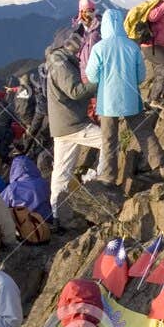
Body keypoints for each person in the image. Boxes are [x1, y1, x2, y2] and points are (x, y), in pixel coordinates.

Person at [86, 6, 164, 185]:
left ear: (104, 26)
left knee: (109, 139)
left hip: (107, 100)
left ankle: (108, 176)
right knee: (143, 131)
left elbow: (92, 76)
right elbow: (141, 76)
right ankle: (161, 165)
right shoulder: (132, 46)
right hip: (131, 97)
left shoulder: (99, 48)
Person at [44, 26, 101, 221]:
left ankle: (56, 213)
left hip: (62, 124)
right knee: (109, 141)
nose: (80, 44)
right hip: (73, 124)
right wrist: (98, 81)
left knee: (61, 171)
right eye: (76, 40)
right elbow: (75, 91)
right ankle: (97, 182)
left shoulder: (57, 60)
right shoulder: (61, 64)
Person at [1, 151, 52, 220]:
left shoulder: (11, 189)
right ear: (32, 166)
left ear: (14, 170)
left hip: (25, 225)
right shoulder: (43, 183)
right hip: (47, 219)